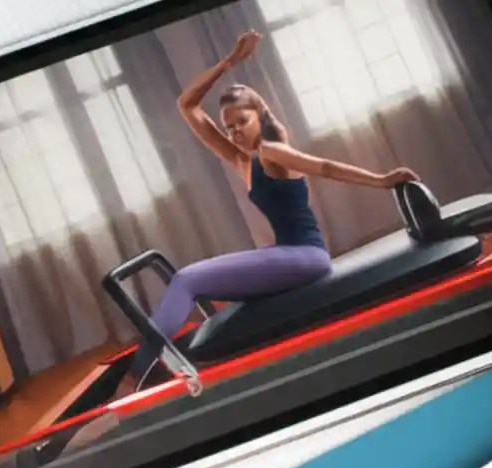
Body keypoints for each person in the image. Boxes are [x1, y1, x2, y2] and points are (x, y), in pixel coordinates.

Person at [130, 30, 420, 382]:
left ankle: (138, 378)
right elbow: (187, 105)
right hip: (287, 254)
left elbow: (324, 167)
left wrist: (382, 180)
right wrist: (229, 62)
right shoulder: (242, 160)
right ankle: (154, 370)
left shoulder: (271, 151)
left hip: (305, 256)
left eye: (242, 122)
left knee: (186, 279)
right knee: (194, 283)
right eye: (229, 127)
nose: (235, 132)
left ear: (260, 116)